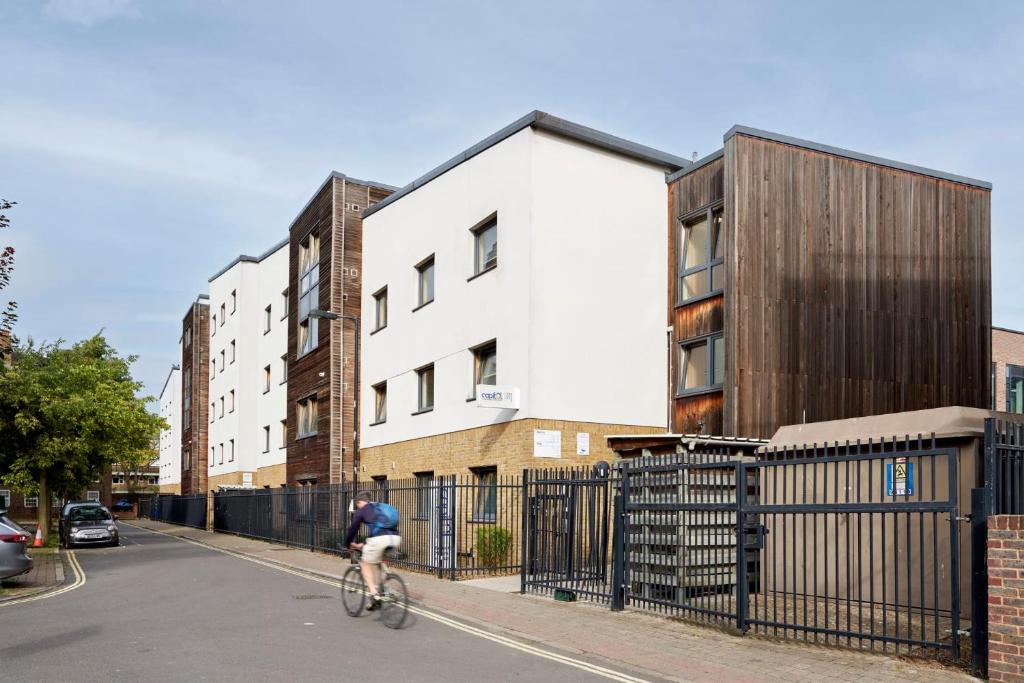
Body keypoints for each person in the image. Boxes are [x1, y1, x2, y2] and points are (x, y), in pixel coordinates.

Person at [344, 491, 401, 611]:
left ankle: (374, 594)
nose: (358, 507)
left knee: (365, 564)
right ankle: (384, 590)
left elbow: (353, 529)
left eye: (357, 505)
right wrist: (363, 544)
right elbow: (378, 531)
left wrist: (348, 544)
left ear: (359, 502)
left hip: (379, 540)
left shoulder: (362, 510)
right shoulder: (379, 507)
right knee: (378, 561)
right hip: (395, 538)